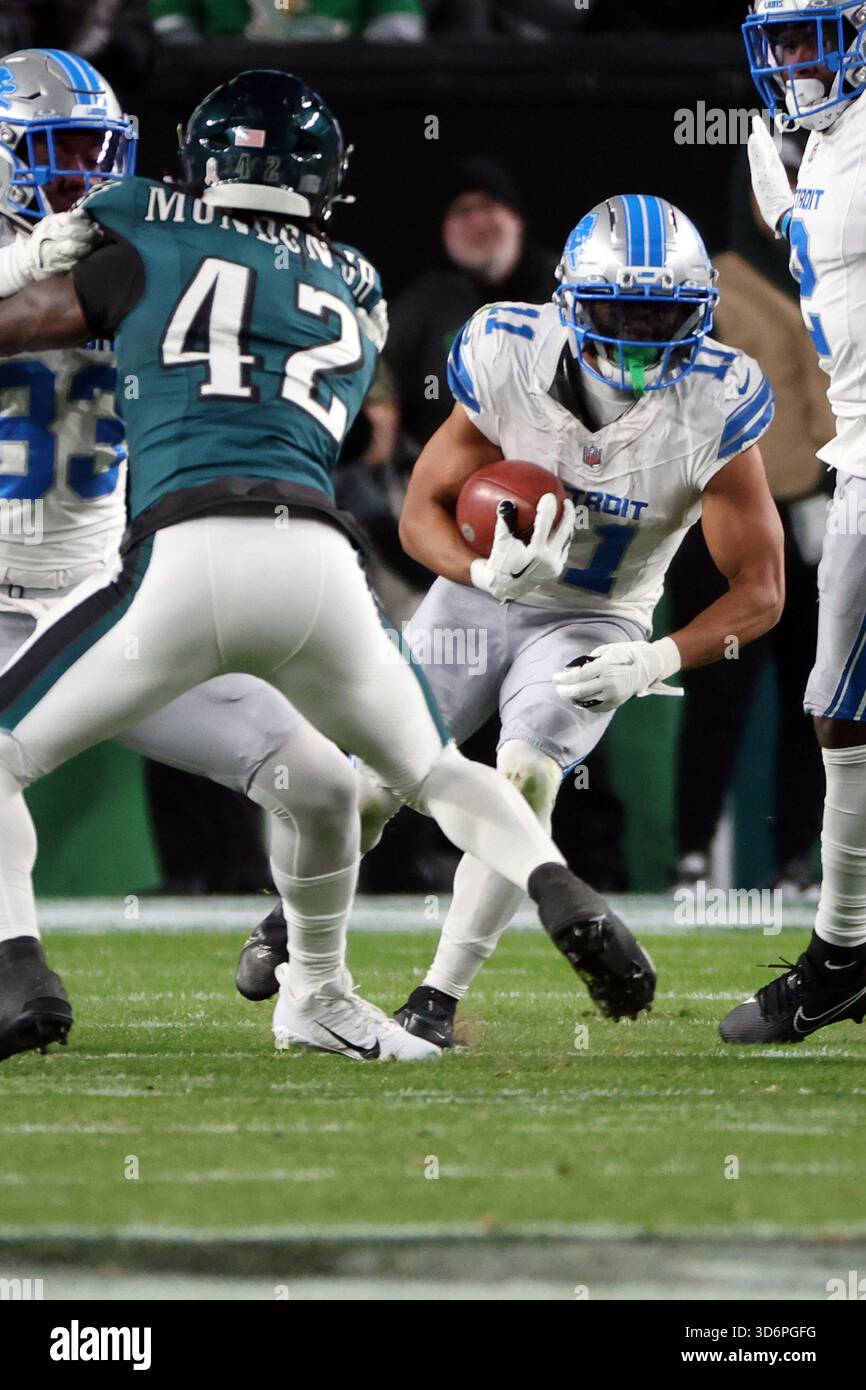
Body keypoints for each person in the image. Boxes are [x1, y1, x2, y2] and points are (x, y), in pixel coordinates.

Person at [0, 68, 656, 1065]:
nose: (78, 177)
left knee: (313, 781)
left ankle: (319, 996)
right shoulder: (323, 274)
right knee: (421, 766)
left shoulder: (139, 242)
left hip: (119, 582)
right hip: (184, 564)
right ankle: (14, 968)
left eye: (94, 153)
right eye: (55, 153)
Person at [238, 194, 786, 1050]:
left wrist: (654, 659)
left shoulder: (716, 401)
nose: (641, 334)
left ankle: (437, 998)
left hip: (597, 619)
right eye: (621, 310)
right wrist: (478, 568)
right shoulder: (508, 351)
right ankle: (287, 920)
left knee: (526, 776)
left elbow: (762, 589)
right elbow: (421, 511)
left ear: (702, 314)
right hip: (479, 596)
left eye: (663, 313)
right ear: (570, 300)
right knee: (374, 785)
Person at [719, 0, 866, 1044]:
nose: (790, 61)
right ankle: (843, 953)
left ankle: (840, 952)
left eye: (809, 36)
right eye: (774, 41)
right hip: (854, 459)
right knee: (837, 714)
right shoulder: (800, 147)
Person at [668, 138, 831, 898]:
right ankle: (693, 853)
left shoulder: (839, 277)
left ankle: (797, 857)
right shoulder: (715, 288)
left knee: (819, 692)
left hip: (827, 511)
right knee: (719, 692)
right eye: (779, 180)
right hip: (731, 512)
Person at [386, 159, 557, 451]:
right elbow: (381, 384)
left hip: (554, 468)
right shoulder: (425, 301)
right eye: (462, 211)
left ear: (517, 218)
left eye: (489, 205)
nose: (477, 221)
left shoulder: (563, 292)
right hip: (447, 473)